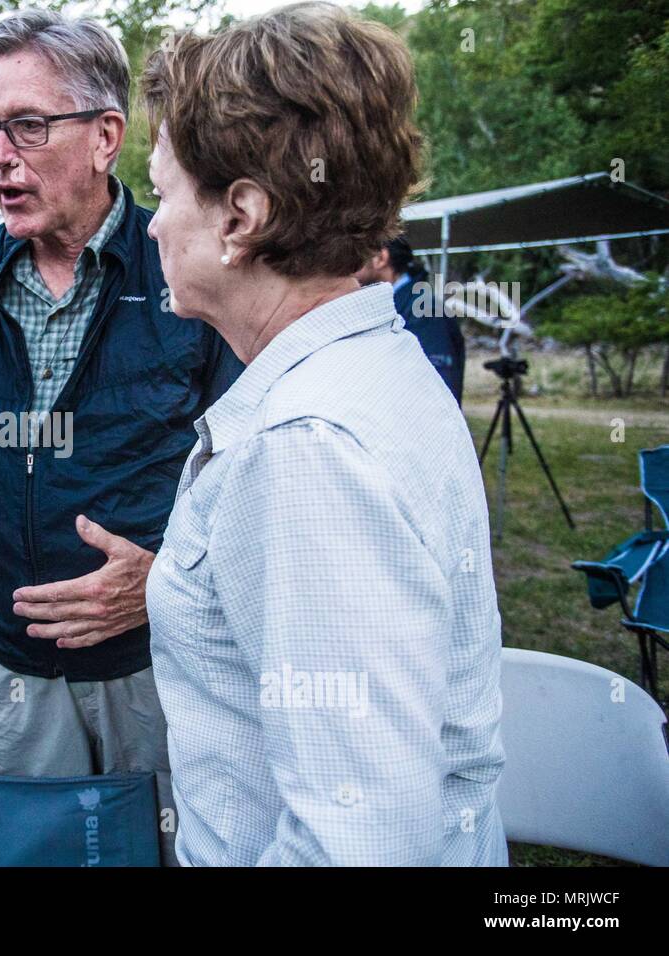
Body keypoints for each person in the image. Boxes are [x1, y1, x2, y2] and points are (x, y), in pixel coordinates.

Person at [140, 2, 507, 865]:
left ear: (241, 217)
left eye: (161, 193)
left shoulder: (306, 450)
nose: (151, 222)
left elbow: (357, 842)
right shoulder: (375, 365)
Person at [0, 9, 238, 865]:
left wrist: (167, 579)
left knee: (173, 852)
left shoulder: (182, 266)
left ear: (106, 136)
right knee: (31, 855)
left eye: (28, 126)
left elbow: (252, 476)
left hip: (158, 664)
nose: (0, 154)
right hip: (13, 663)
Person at [356, 235, 466, 403]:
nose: (348, 266)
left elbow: (439, 387)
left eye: (356, 255)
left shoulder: (425, 310)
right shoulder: (396, 303)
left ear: (381, 258)